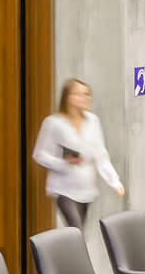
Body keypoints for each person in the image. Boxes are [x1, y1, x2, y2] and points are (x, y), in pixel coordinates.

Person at [33, 78, 122, 233]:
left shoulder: (93, 121)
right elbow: (39, 154)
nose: (85, 98)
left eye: (87, 94)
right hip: (64, 189)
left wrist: (114, 181)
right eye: (80, 94)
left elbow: (100, 154)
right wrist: (64, 163)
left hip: (87, 189)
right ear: (68, 97)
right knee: (76, 231)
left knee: (77, 234)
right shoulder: (53, 123)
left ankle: (65, 249)